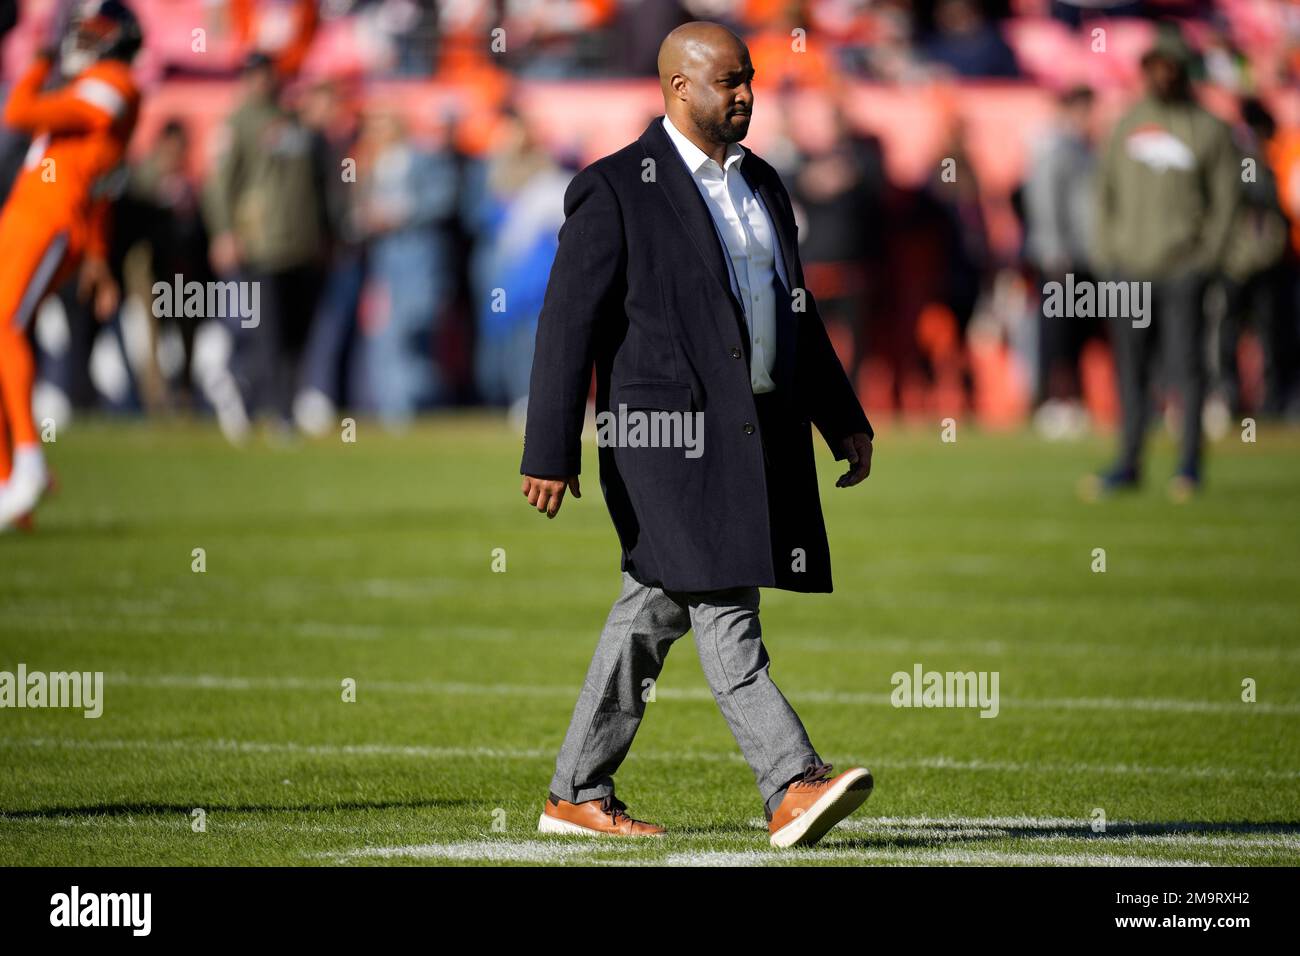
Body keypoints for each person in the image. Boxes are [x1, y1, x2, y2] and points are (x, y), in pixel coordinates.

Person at [519, 21, 875, 848]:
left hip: (753, 434)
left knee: (652, 609)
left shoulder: (768, 186)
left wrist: (841, 418)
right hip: (660, 441)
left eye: (749, 77)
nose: (745, 93)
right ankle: (791, 782)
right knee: (723, 598)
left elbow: (796, 314)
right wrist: (549, 449)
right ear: (678, 87)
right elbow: (567, 324)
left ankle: (576, 791)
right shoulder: (614, 189)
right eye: (728, 81)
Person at [0, 0, 142, 529]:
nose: (83, 41)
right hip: (29, 216)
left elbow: (18, 111)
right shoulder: (95, 92)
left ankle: (29, 462)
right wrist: (101, 259)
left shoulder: (116, 84)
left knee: (6, 327)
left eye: (95, 32)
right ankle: (11, 483)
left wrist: (40, 59)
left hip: (50, 220)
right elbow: (105, 192)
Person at [1086, 23, 1239, 502]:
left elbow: (1226, 203)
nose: (1163, 75)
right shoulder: (1126, 126)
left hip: (1183, 269)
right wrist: (1108, 254)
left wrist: (1204, 260)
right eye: (1156, 66)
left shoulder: (1208, 129)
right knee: (1130, 372)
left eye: (1171, 66)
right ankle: (1128, 462)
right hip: (1130, 268)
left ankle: (1188, 465)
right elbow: (1103, 196)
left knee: (1187, 368)